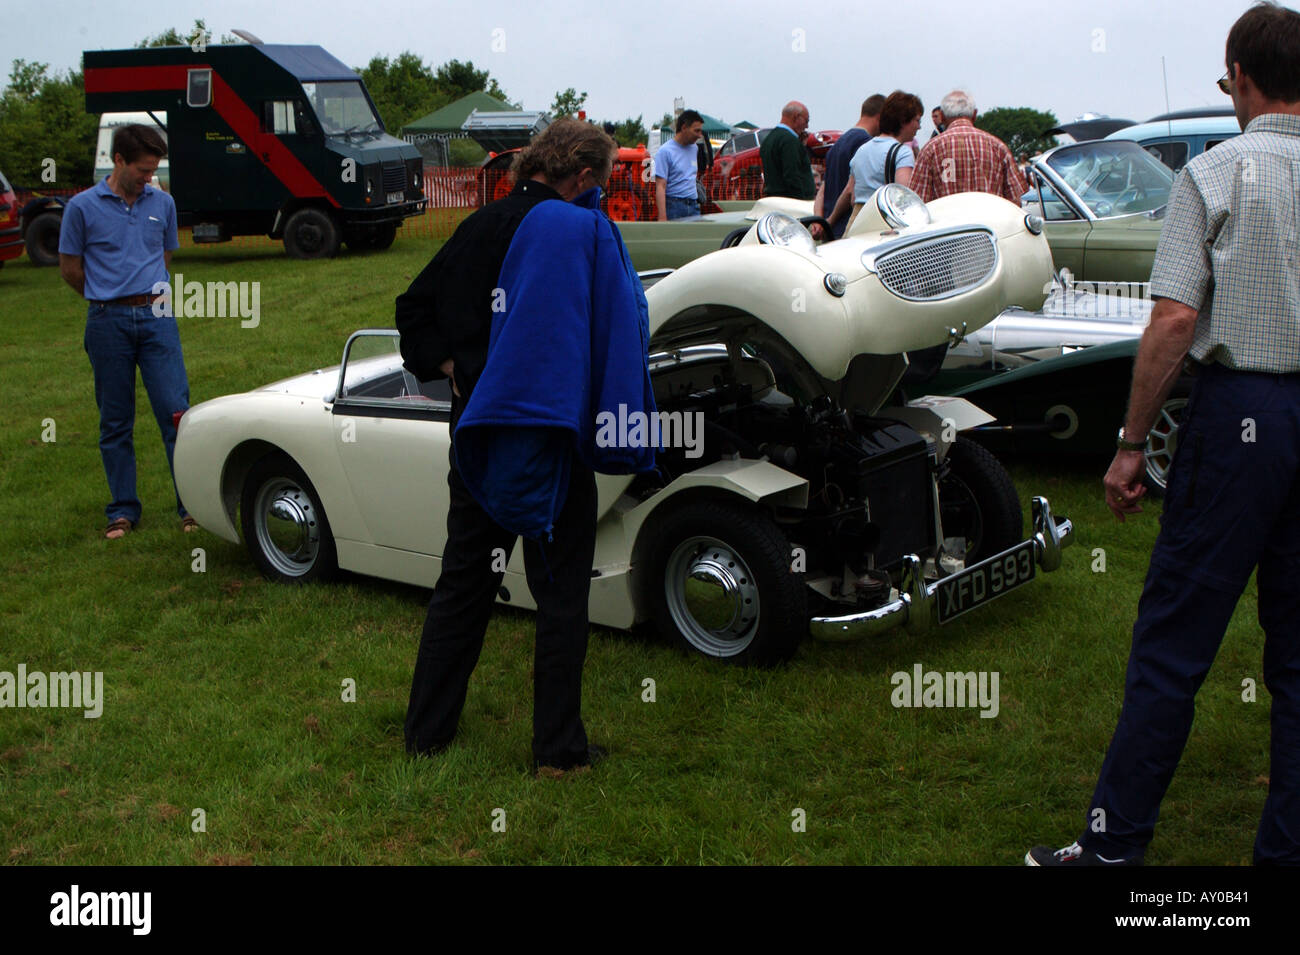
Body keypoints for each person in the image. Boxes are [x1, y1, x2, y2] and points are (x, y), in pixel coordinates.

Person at [1028, 0, 1300, 866]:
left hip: (1242, 412)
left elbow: (1175, 321)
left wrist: (1130, 441)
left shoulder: (1214, 173)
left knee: (1174, 644)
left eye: (1228, 83)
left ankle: (1113, 853)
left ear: (1244, 78)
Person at [396, 119, 656, 775]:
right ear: (586, 176)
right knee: (561, 595)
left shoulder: (483, 225)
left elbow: (413, 308)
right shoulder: (575, 233)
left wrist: (458, 367)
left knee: (465, 585)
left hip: (481, 435)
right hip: (550, 437)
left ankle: (425, 735)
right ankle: (558, 752)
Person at [57, 123, 193, 541]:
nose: (149, 178)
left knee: (177, 415)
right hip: (107, 322)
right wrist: (107, 297)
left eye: (153, 170)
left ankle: (191, 507)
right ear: (118, 161)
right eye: (142, 170)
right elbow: (70, 268)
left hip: (157, 317)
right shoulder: (81, 208)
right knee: (115, 421)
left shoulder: (162, 203)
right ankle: (122, 511)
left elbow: (164, 255)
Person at [825, 91, 923, 234]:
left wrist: (830, 221)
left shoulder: (862, 150)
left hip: (856, 222)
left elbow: (849, 193)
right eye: (917, 120)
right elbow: (902, 196)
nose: (919, 127)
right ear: (903, 120)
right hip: (882, 224)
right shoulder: (902, 152)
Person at [909, 90, 1027, 203]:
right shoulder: (999, 147)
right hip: (990, 222)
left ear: (943, 117)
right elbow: (1015, 199)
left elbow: (918, 200)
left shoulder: (930, 149)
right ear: (974, 114)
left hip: (948, 222)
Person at [814, 94, 884, 238]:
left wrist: (819, 222)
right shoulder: (865, 144)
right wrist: (830, 221)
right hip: (845, 228)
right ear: (880, 117)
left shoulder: (837, 145)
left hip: (829, 230)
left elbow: (823, 189)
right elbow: (850, 189)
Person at [759, 101, 816, 199]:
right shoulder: (789, 141)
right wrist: (801, 201)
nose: (807, 126)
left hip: (774, 198)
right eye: (806, 121)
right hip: (791, 202)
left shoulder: (769, 139)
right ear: (796, 117)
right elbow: (792, 175)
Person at [655, 109, 705, 220]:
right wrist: (662, 216)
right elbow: (660, 186)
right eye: (696, 131)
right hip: (674, 206)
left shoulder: (694, 148)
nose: (699, 135)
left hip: (693, 205)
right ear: (684, 128)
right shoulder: (665, 151)